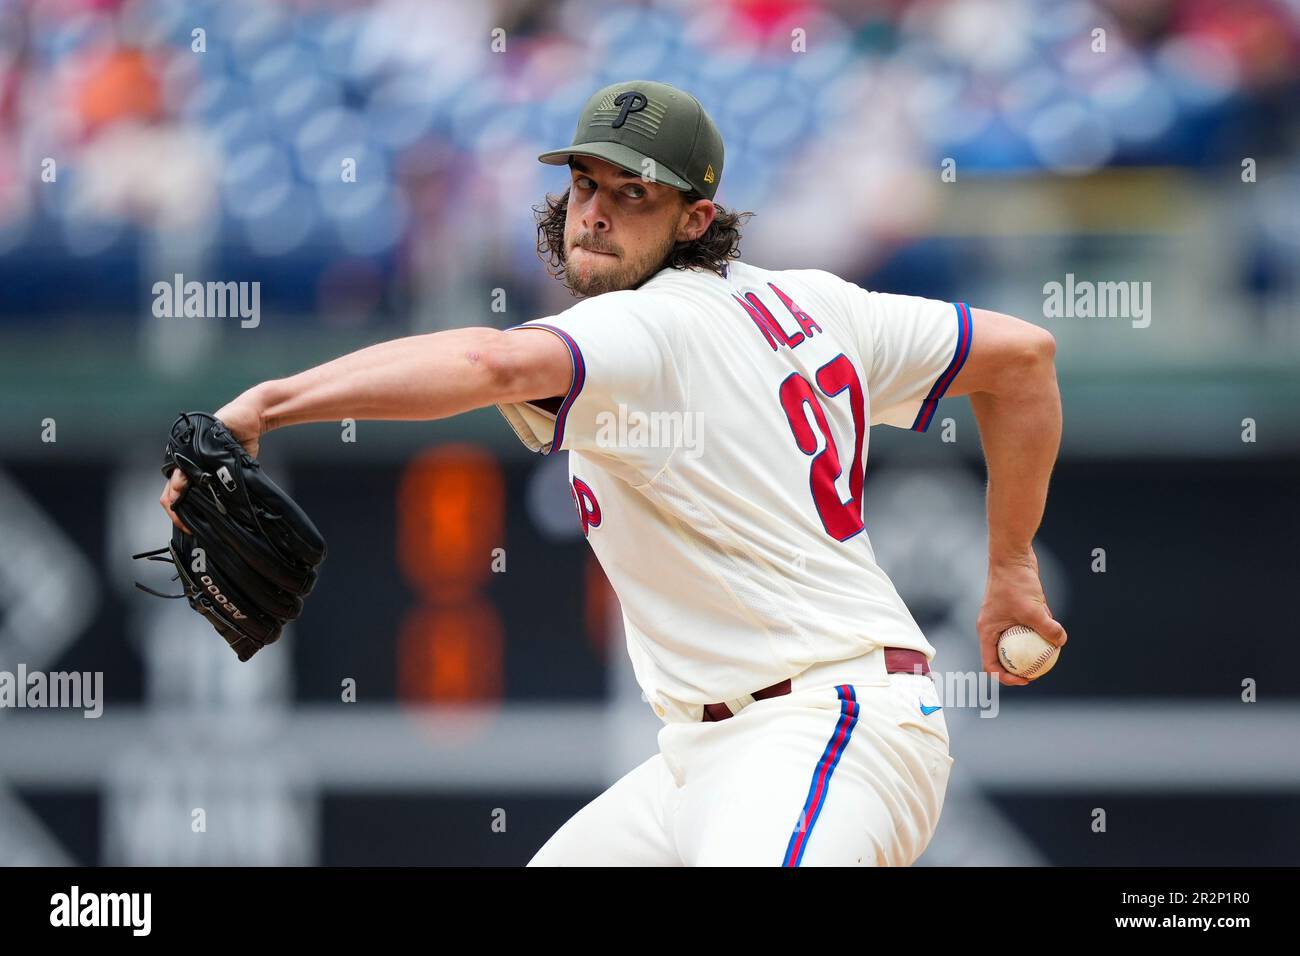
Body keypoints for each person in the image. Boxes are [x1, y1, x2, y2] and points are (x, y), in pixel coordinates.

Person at [160, 80, 1066, 866]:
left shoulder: (646, 326)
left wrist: (265, 407)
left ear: (694, 219)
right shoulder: (813, 301)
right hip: (704, 757)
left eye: (634, 194)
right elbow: (1021, 358)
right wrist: (1012, 567)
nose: (594, 211)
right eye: (585, 184)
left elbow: (489, 366)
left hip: (822, 735)